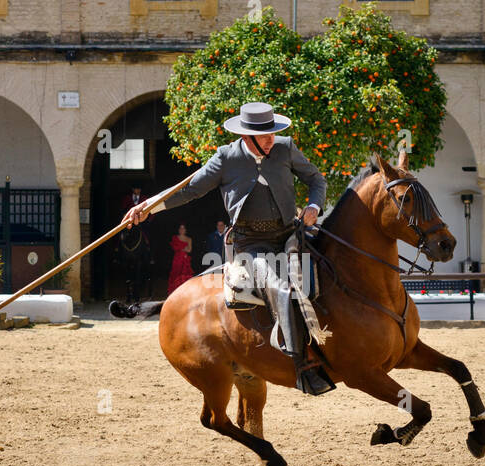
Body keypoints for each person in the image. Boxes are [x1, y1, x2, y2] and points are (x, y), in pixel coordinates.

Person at [123, 101, 333, 395]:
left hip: (290, 234)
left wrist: (313, 205)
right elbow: (189, 190)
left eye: (273, 133)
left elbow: (315, 178)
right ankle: (302, 366)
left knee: (333, 268)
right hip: (251, 244)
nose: (272, 138)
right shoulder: (226, 158)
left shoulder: (285, 148)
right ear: (247, 138)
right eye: (265, 135)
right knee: (282, 289)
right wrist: (148, 207)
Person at [167, 222, 193, 294]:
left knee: (185, 275)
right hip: (177, 259)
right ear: (178, 230)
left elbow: (189, 250)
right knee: (176, 275)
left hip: (185, 260)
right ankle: (175, 292)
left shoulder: (189, 239)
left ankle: (185, 291)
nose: (182, 230)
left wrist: (182, 249)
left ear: (185, 230)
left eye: (183, 228)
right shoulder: (175, 237)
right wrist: (184, 248)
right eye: (180, 228)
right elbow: (174, 247)